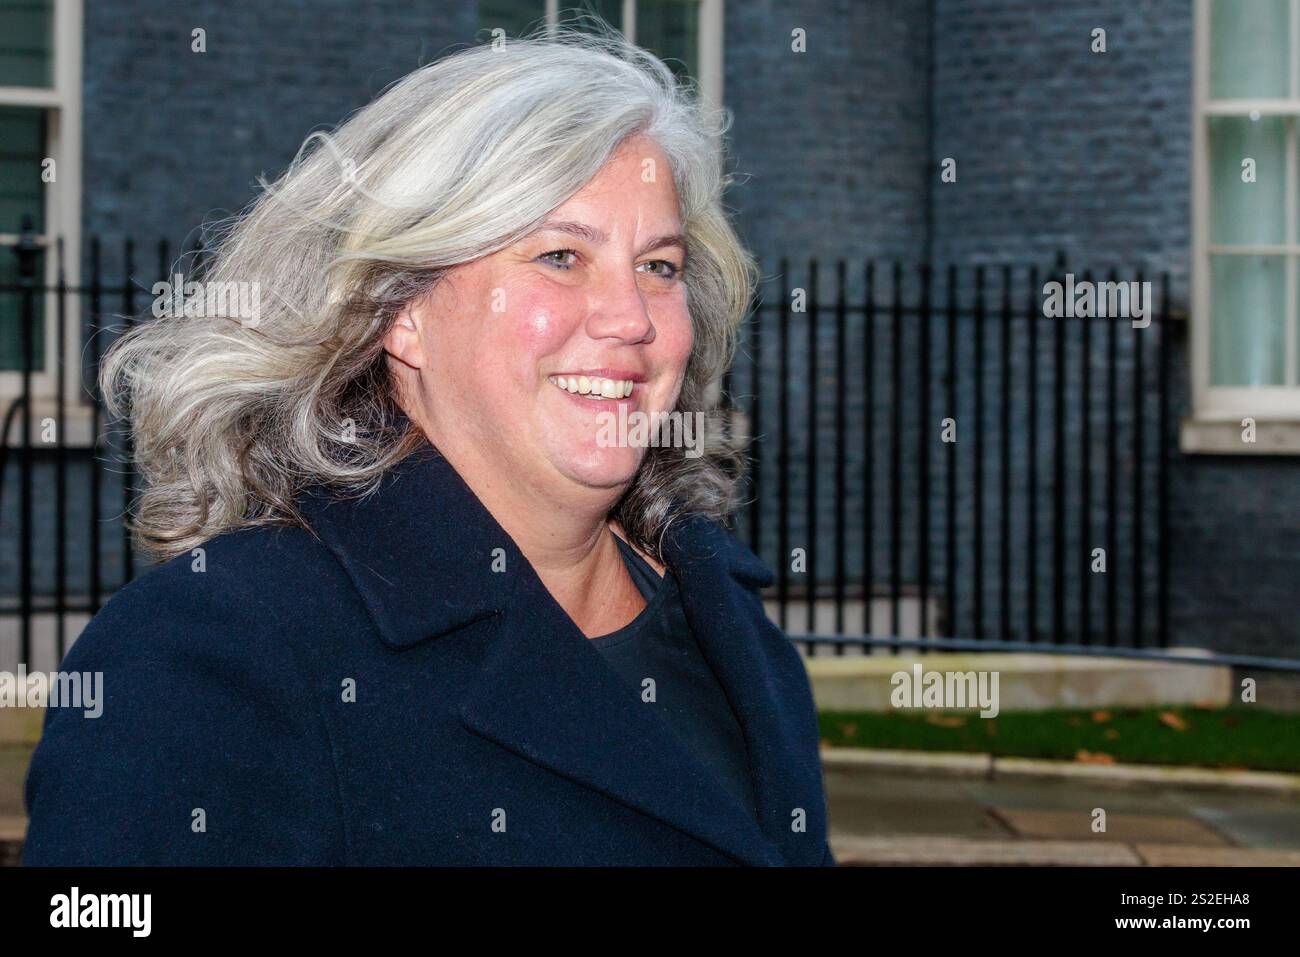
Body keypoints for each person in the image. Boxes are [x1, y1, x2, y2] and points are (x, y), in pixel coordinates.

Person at [22, 26, 834, 866]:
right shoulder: (218, 648)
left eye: (659, 267)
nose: (631, 318)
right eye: (561, 256)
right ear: (399, 311)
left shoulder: (723, 613)